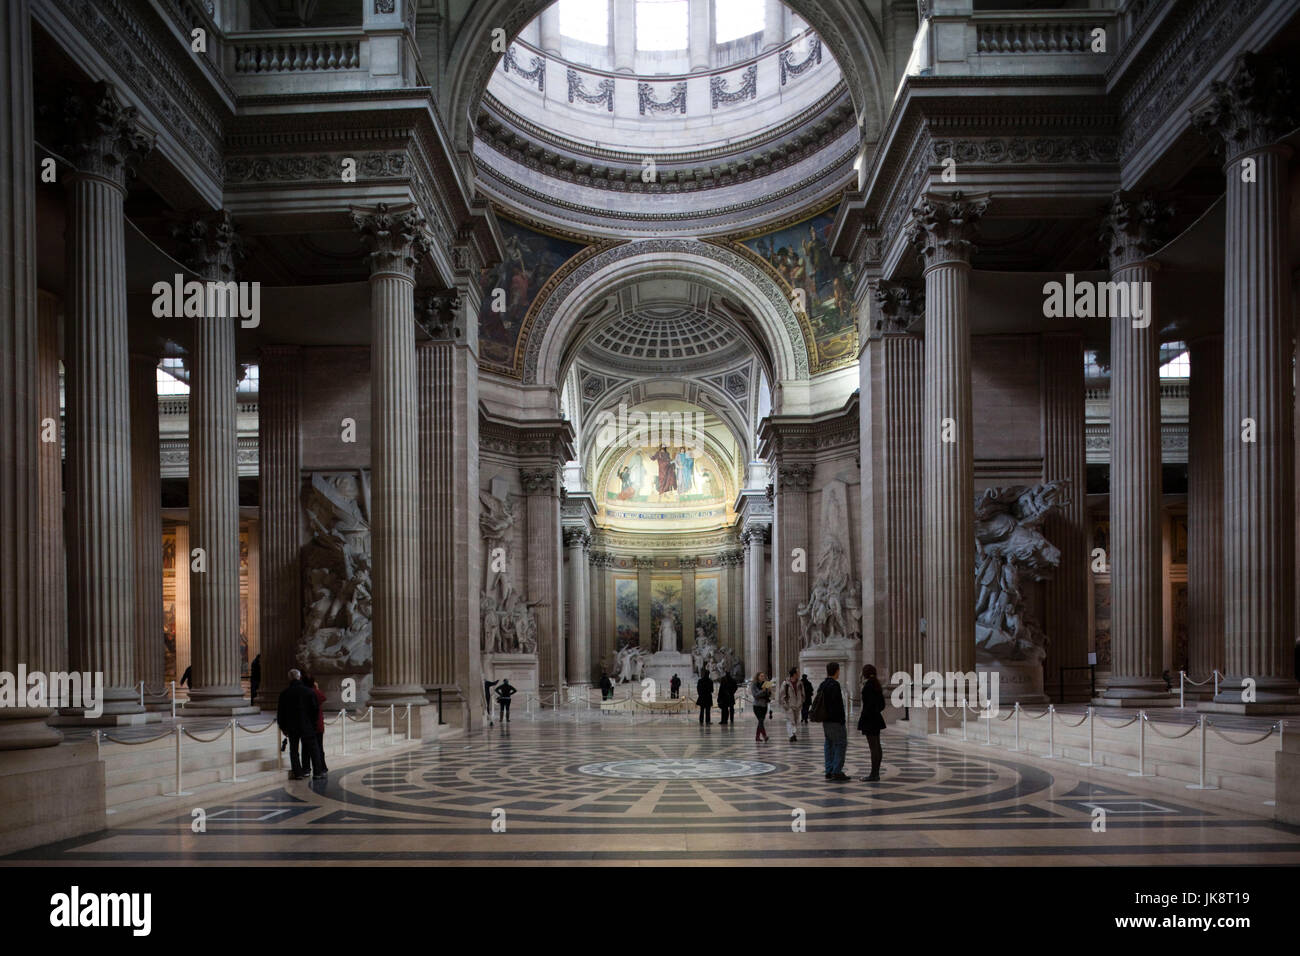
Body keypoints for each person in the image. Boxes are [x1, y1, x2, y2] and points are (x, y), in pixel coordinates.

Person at [276, 668, 320, 781]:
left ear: (289, 678)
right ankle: (317, 772)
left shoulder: (284, 693)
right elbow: (315, 710)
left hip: (292, 726)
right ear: (299, 677)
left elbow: (281, 712)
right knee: (313, 749)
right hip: (307, 725)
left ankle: (298, 773)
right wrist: (314, 724)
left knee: (294, 750)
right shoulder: (309, 692)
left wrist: (283, 727)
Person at [817, 662, 849, 781]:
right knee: (841, 744)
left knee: (829, 744)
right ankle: (837, 771)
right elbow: (838, 705)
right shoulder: (834, 685)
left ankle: (829, 770)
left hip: (826, 720)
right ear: (836, 671)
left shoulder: (823, 684)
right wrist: (842, 720)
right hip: (835, 720)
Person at [857, 664, 886, 782]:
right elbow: (882, 705)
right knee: (877, 747)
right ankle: (876, 773)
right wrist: (876, 712)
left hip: (869, 720)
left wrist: (868, 714)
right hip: (876, 719)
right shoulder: (876, 684)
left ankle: (874, 774)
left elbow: (867, 705)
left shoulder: (868, 686)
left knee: (873, 748)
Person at [302, 672, 328, 778]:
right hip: (317, 725)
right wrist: (316, 688)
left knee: (305, 748)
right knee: (319, 748)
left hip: (306, 725)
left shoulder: (303, 692)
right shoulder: (314, 692)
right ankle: (321, 768)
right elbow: (322, 698)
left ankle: (306, 769)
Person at [779, 667, 805, 742]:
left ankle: (793, 733)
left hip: (797, 705)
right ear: (794, 674)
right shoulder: (785, 683)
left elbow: (803, 694)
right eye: (797, 673)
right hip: (789, 704)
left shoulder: (800, 683)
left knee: (796, 720)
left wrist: (801, 701)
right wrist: (785, 704)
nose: (799, 674)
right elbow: (782, 694)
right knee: (790, 720)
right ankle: (791, 735)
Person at [751, 672, 772, 743]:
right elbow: (755, 695)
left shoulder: (766, 684)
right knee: (760, 720)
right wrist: (762, 690)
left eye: (763, 676)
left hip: (764, 705)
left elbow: (768, 695)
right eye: (761, 676)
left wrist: (769, 691)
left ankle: (757, 737)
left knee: (761, 721)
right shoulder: (754, 684)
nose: (763, 677)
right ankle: (764, 735)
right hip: (757, 706)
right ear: (758, 677)